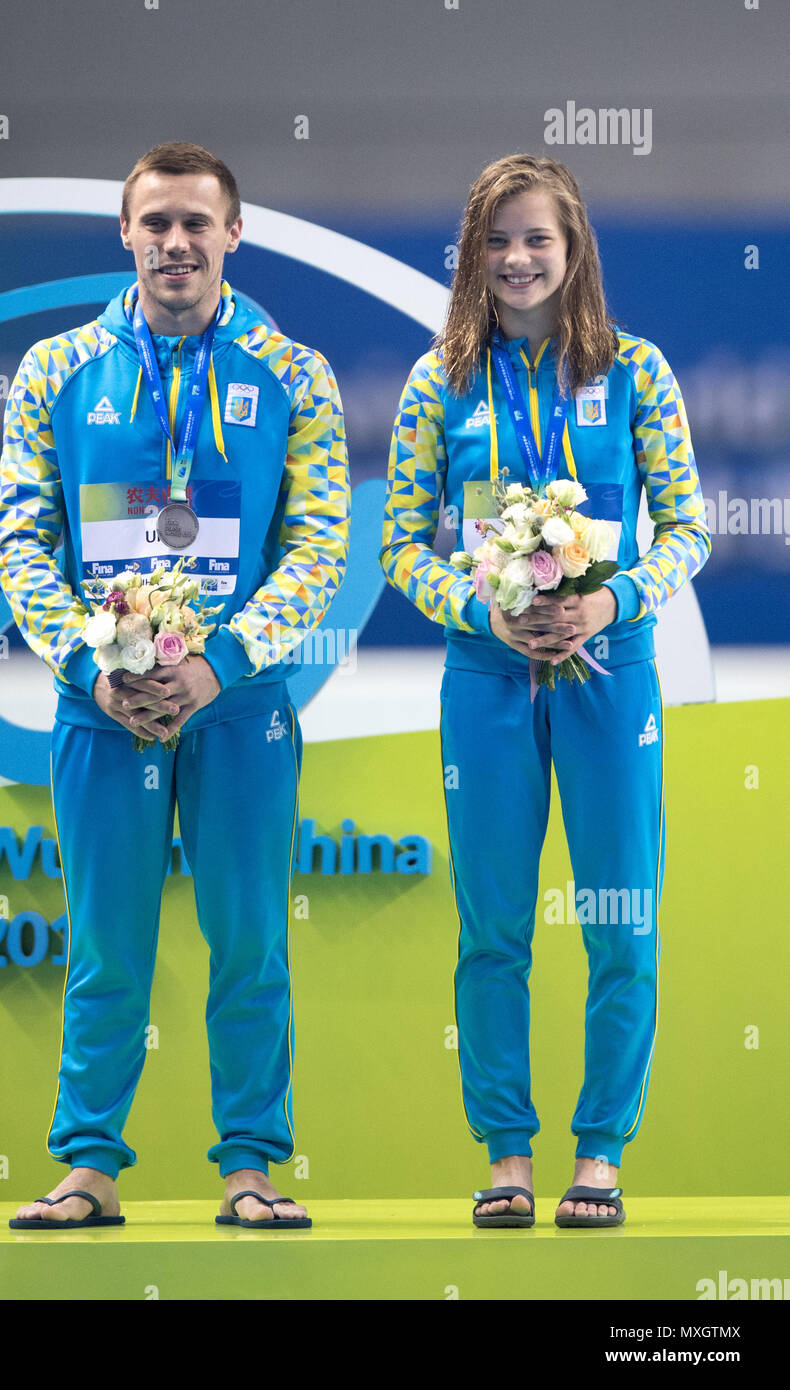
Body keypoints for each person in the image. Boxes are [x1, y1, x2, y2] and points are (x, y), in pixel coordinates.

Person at [0, 142, 349, 1230]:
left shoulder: (294, 373)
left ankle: (250, 1165)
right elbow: (19, 536)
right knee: (105, 941)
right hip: (101, 708)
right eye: (155, 223)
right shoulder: (56, 369)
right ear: (125, 234)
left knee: (248, 939)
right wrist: (88, 665)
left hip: (238, 707)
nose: (176, 242)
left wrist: (218, 662)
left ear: (233, 235)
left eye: (198, 222)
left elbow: (321, 546)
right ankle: (88, 1166)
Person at [380, 154, 709, 1228]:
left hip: (611, 677)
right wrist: (485, 612)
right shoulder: (439, 382)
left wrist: (606, 608)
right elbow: (398, 546)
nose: (516, 259)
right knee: (492, 927)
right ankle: (507, 1153)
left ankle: (601, 1150)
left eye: (536, 240)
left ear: (573, 254)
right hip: (485, 680)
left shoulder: (637, 372)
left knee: (619, 918)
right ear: (472, 255)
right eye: (496, 240)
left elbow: (688, 528)